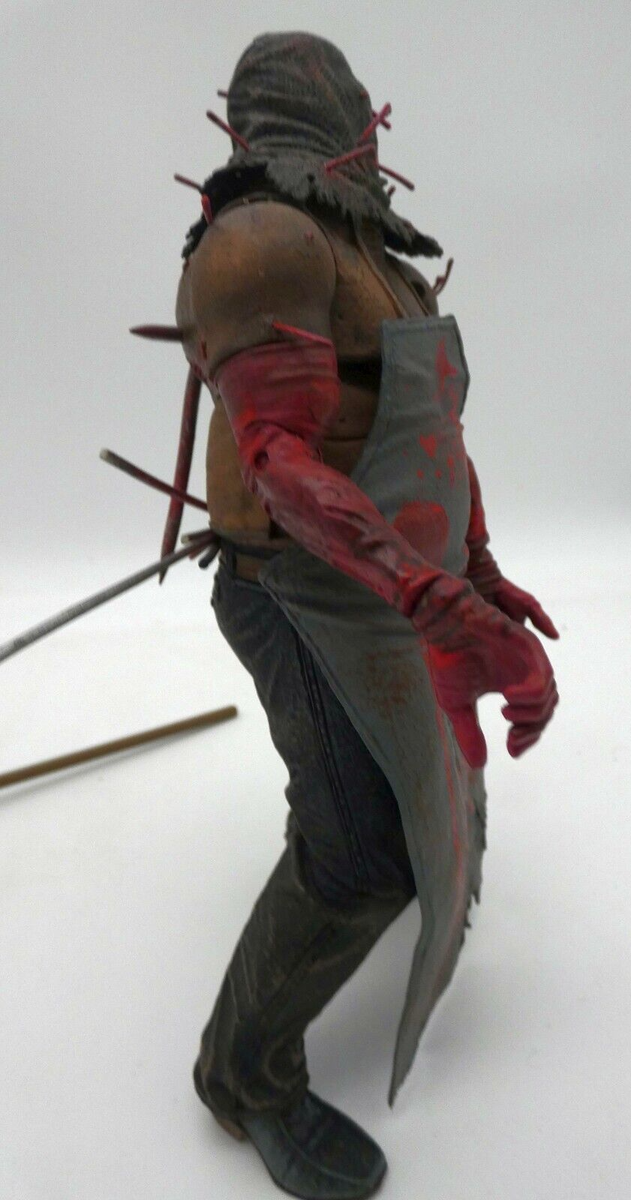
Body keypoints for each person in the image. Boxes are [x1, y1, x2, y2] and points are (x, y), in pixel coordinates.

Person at [174, 31, 559, 1200]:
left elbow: (428, 427)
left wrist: (474, 569)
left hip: (384, 585)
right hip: (297, 593)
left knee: (415, 786)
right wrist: (436, 598)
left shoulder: (375, 262)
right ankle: (241, 1074)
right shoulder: (261, 242)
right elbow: (278, 459)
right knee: (358, 855)